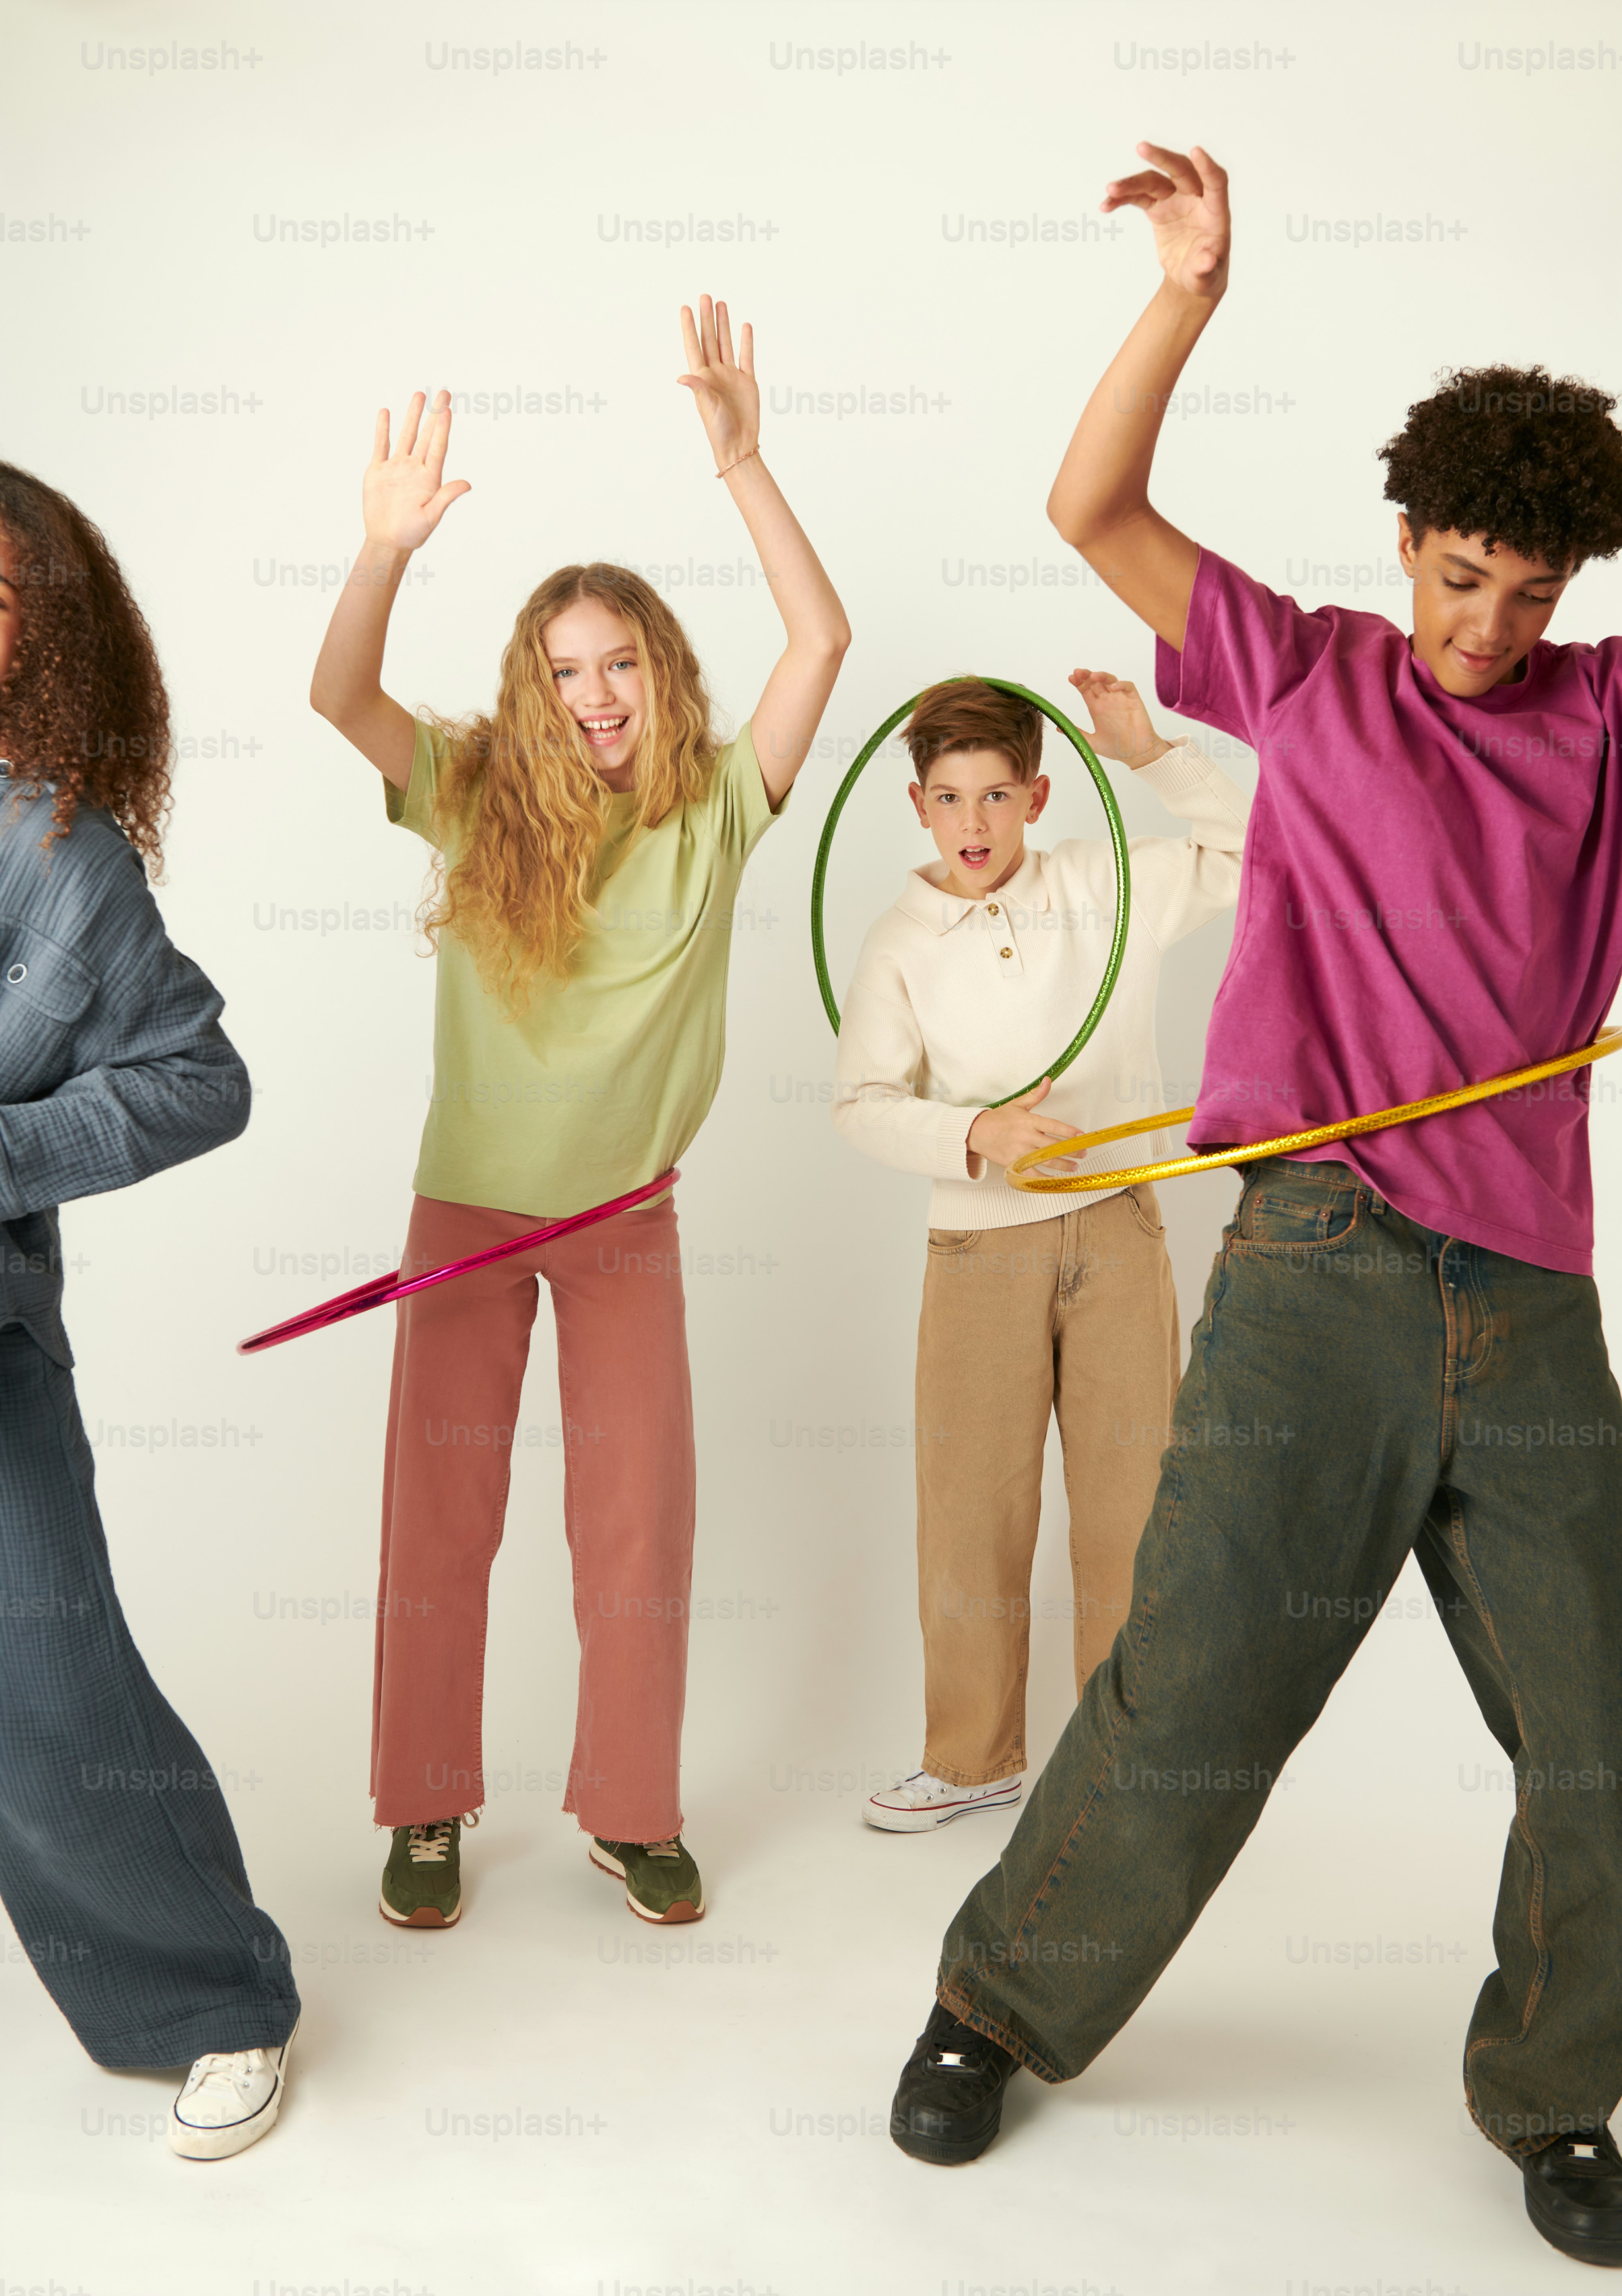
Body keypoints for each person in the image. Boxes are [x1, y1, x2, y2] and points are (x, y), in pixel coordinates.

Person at [887, 144, 1622, 2272]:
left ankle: (1561, 2092)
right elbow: (1092, 515)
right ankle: (995, 2003)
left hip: (1534, 1292)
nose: (1487, 626)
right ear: (1406, 548)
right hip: (1324, 1254)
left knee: (1604, 1721)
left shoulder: (1597, 721)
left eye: (1530, 592)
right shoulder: (1314, 674)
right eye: (1463, 572)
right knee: (1205, 1674)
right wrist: (1190, 297)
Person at [311, 300, 849, 1932]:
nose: (597, 693)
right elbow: (340, 697)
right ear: (531, 693)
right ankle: (424, 1807)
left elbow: (820, 643)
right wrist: (382, 552)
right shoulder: (473, 791)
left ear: (660, 673)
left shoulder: (721, 814)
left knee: (635, 1520)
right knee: (441, 1516)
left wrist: (744, 460)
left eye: (620, 663)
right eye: (566, 671)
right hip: (466, 1212)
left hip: (626, 1221)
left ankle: (628, 1810)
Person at [0, 462, 299, 2161]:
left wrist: (5, 1150)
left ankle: (207, 1996)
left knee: (45, 1681)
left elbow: (202, 1080)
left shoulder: (59, 858)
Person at [832, 673, 1246, 1831]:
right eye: (951, 799)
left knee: (1132, 1506)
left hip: (1119, 1227)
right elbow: (859, 1101)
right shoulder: (898, 944)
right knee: (971, 1512)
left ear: (1039, 796)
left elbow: (1257, 852)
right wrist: (977, 1132)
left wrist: (1154, 753)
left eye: (998, 796)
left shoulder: (1107, 882)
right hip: (976, 1250)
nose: (974, 825)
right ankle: (971, 1762)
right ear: (917, 806)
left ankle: (1123, 1770)